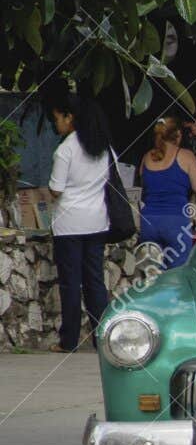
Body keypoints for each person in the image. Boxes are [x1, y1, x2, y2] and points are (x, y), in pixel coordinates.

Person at [48, 94, 112, 353]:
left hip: (68, 225)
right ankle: (103, 337)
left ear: (69, 117)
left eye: (57, 119)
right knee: (95, 281)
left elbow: (56, 189)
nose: (56, 124)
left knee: (71, 283)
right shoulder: (102, 147)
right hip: (97, 222)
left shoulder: (65, 149)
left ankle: (69, 340)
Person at [139, 116, 196, 269]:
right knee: (176, 278)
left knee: (151, 278)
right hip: (176, 224)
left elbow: (144, 186)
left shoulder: (147, 157)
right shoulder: (186, 156)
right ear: (177, 134)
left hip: (148, 223)